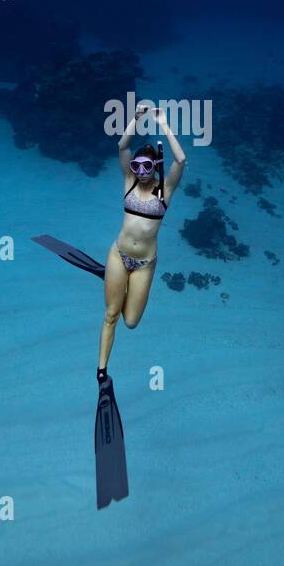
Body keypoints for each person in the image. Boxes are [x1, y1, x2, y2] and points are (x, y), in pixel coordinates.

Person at [96, 104, 187, 385]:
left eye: (147, 167)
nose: (141, 171)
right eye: (137, 166)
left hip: (145, 264)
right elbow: (122, 146)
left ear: (155, 167)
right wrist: (136, 118)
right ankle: (101, 372)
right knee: (111, 315)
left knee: (131, 322)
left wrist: (162, 122)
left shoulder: (165, 190)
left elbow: (180, 160)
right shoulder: (129, 181)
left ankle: (115, 285)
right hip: (118, 254)